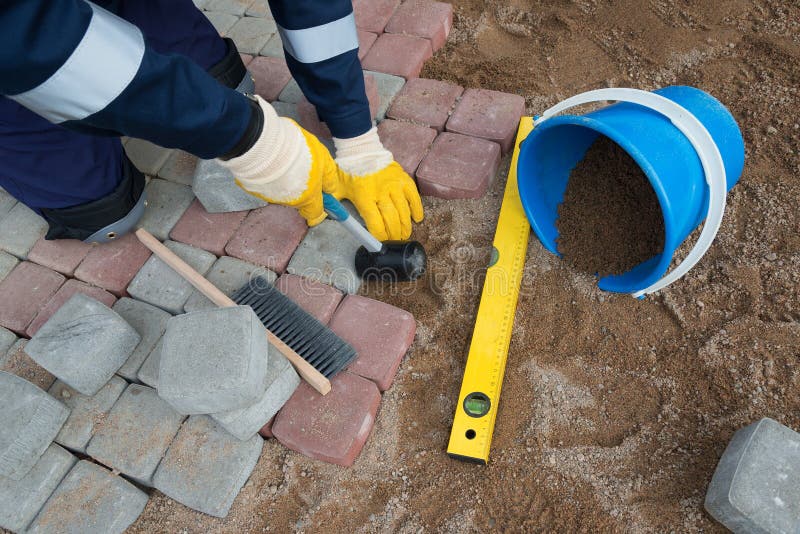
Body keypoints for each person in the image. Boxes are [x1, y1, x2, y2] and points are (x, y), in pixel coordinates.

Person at [0, 0, 424, 243]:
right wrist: (250, 142)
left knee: (226, 90)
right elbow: (39, 46)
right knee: (106, 214)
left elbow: (315, 12)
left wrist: (356, 134)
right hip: (16, 35)